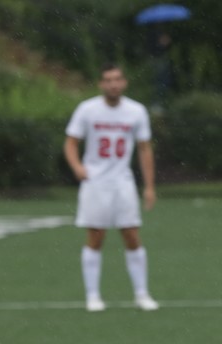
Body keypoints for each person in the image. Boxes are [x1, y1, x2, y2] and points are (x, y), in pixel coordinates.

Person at [64, 64, 158, 312]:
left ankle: (142, 293)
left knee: (131, 234)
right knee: (96, 236)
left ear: (124, 82)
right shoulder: (87, 109)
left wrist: (149, 186)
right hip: (95, 182)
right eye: (108, 80)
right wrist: (77, 167)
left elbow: (144, 148)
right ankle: (93, 295)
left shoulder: (136, 111)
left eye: (117, 79)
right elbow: (71, 142)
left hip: (123, 182)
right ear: (100, 84)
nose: (113, 84)